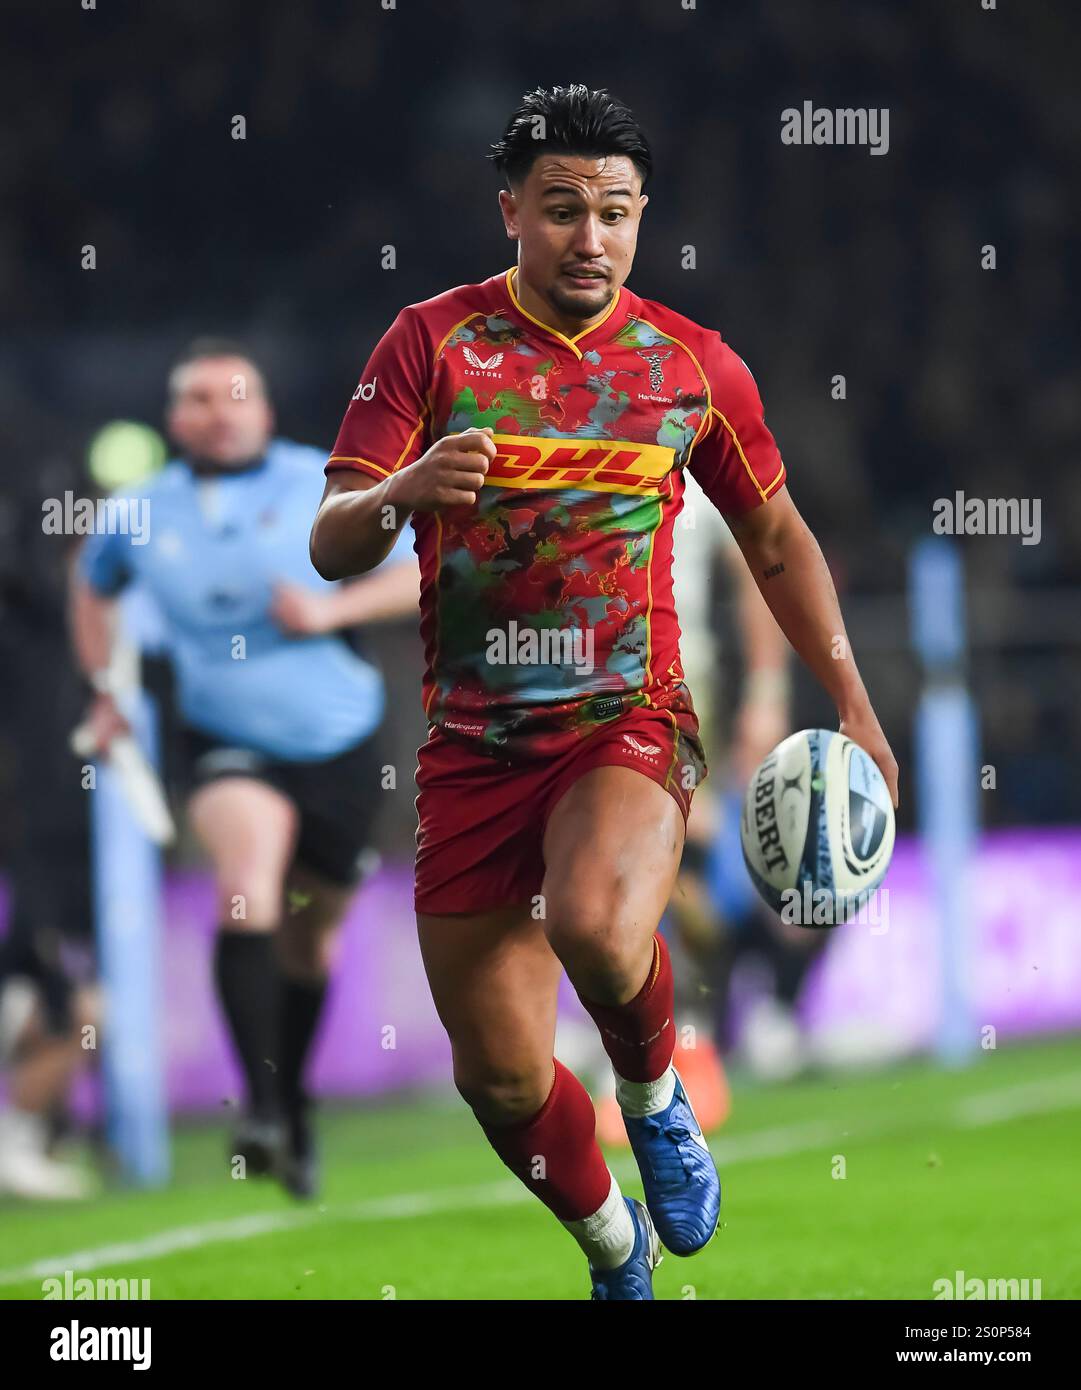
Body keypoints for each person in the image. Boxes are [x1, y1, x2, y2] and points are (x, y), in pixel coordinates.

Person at [311, 85, 898, 1299]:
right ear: (511, 212)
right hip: (472, 747)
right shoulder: (430, 344)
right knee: (505, 1082)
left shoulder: (691, 365)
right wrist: (403, 491)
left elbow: (777, 539)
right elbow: (329, 544)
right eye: (564, 208)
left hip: (627, 720)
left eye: (616, 212)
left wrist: (852, 701)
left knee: (593, 921)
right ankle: (613, 1249)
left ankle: (655, 1091)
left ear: (641, 220)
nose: (592, 236)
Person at [69, 340, 419, 1197]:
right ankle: (259, 1108)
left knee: (315, 933)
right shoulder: (138, 511)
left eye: (236, 395)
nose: (217, 412)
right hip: (223, 737)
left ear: (264, 409)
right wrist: (105, 687)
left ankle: (293, 1104)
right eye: (197, 398)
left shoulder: (320, 481)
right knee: (248, 885)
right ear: (172, 415)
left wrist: (332, 606)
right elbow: (91, 584)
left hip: (338, 734)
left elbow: (419, 578)